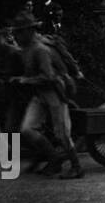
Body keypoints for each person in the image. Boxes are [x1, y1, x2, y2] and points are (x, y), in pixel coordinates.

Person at [12, 12, 84, 178]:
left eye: (19, 32)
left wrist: (24, 81)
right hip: (39, 95)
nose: (16, 36)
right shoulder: (26, 49)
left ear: (28, 31)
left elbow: (48, 77)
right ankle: (54, 158)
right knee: (27, 129)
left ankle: (77, 167)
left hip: (54, 93)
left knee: (62, 133)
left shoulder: (40, 49)